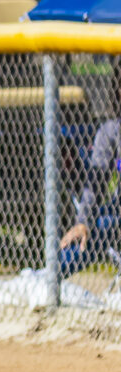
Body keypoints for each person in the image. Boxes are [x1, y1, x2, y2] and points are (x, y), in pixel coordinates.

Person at [59, 67, 121, 276]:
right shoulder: (112, 131)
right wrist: (83, 221)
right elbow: (96, 183)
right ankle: (49, 279)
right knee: (96, 225)